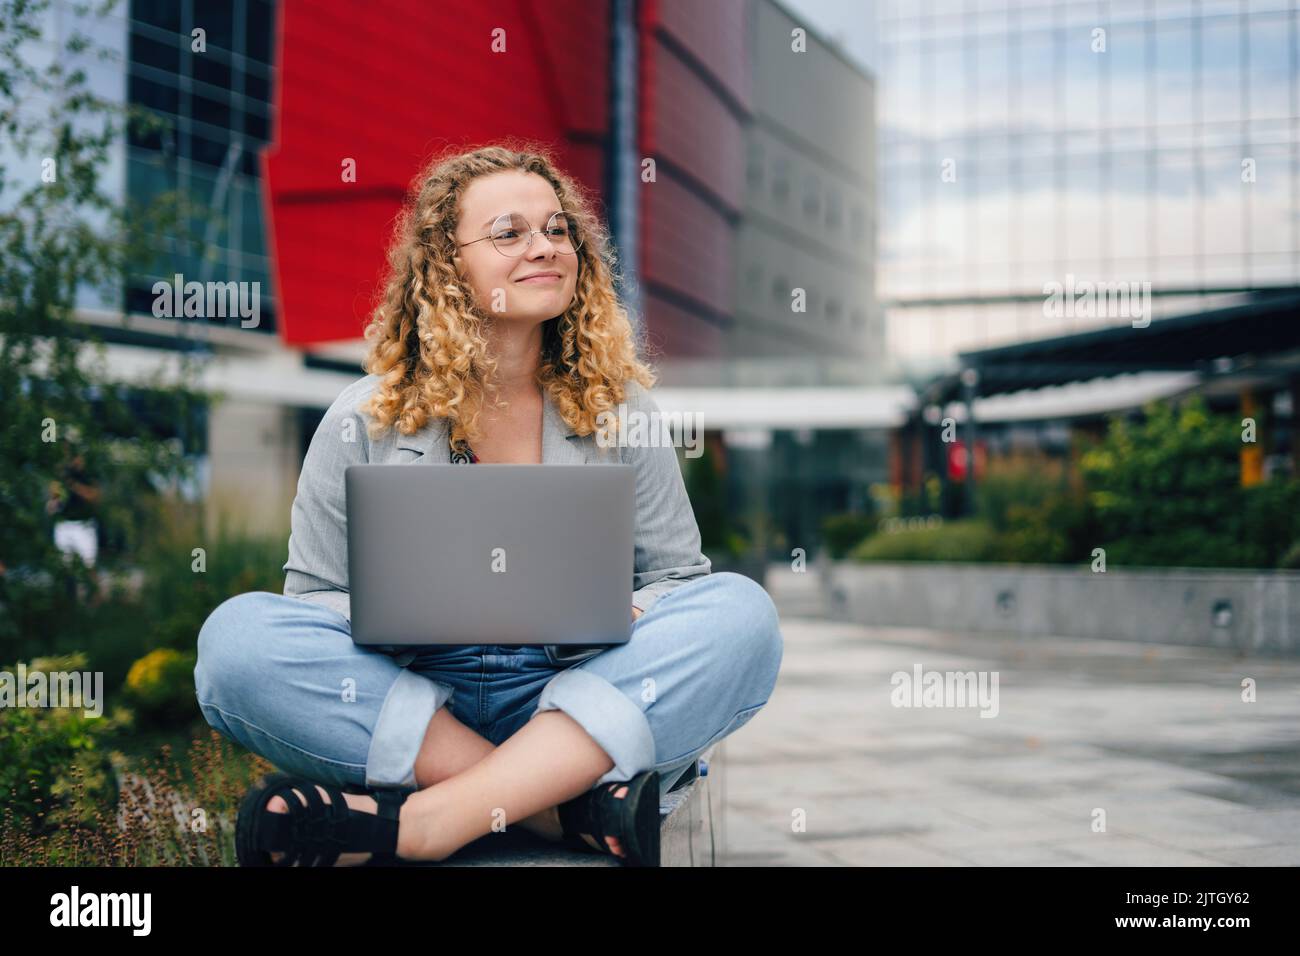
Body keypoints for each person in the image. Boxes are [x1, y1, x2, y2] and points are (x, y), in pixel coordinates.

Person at [193, 143, 783, 866]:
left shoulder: (619, 409)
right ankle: (560, 810)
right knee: (236, 641)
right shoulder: (363, 417)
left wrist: (635, 609)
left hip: (569, 696)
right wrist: (398, 608)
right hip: (413, 698)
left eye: (558, 230)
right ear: (449, 266)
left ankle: (430, 820)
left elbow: (680, 582)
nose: (546, 247)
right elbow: (311, 599)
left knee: (742, 615)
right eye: (510, 233)